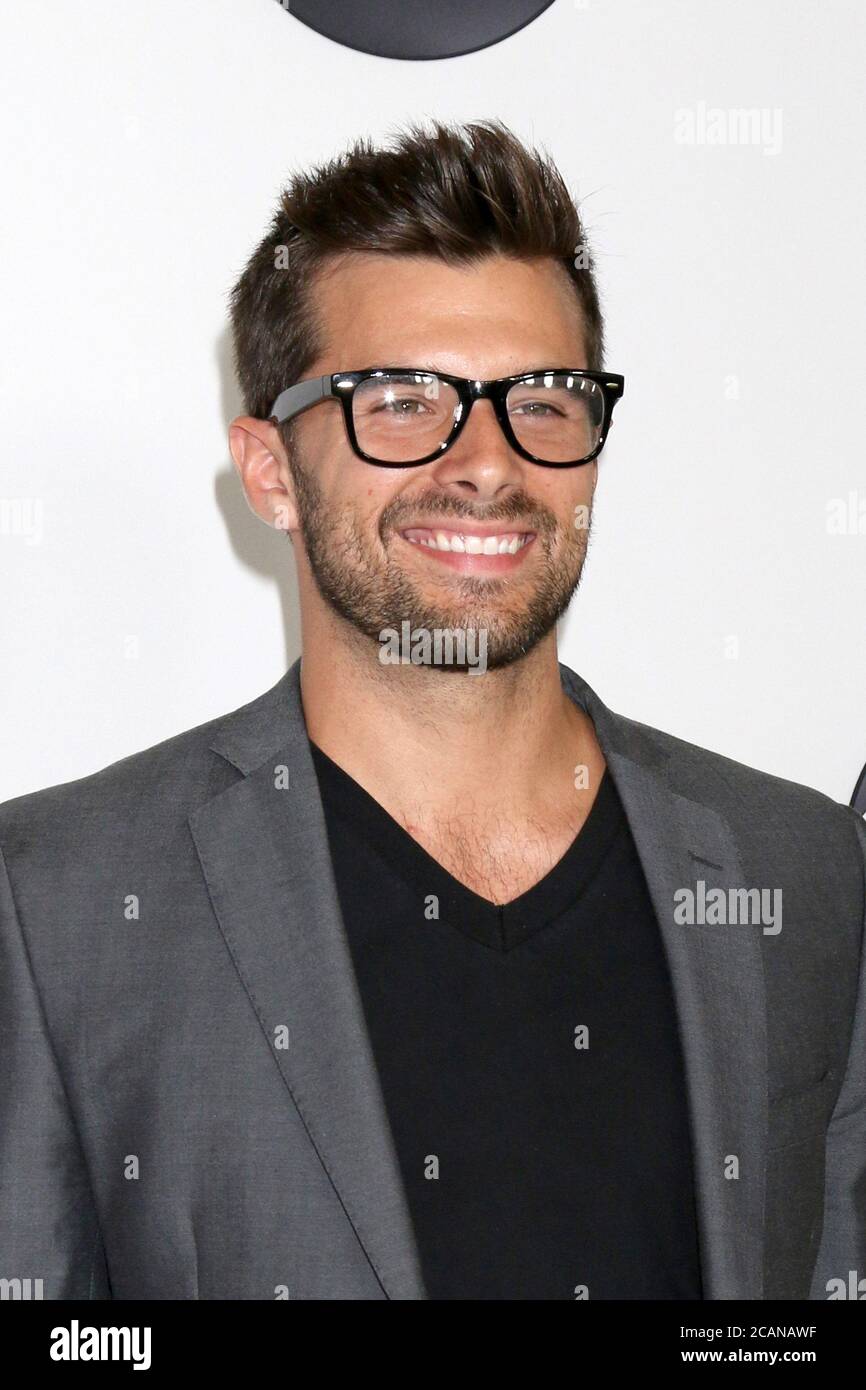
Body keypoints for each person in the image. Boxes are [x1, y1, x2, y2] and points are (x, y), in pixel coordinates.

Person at [0, 121, 863, 1301]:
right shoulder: (60, 903)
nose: (486, 463)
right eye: (401, 401)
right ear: (269, 471)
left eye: (542, 401)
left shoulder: (800, 867)